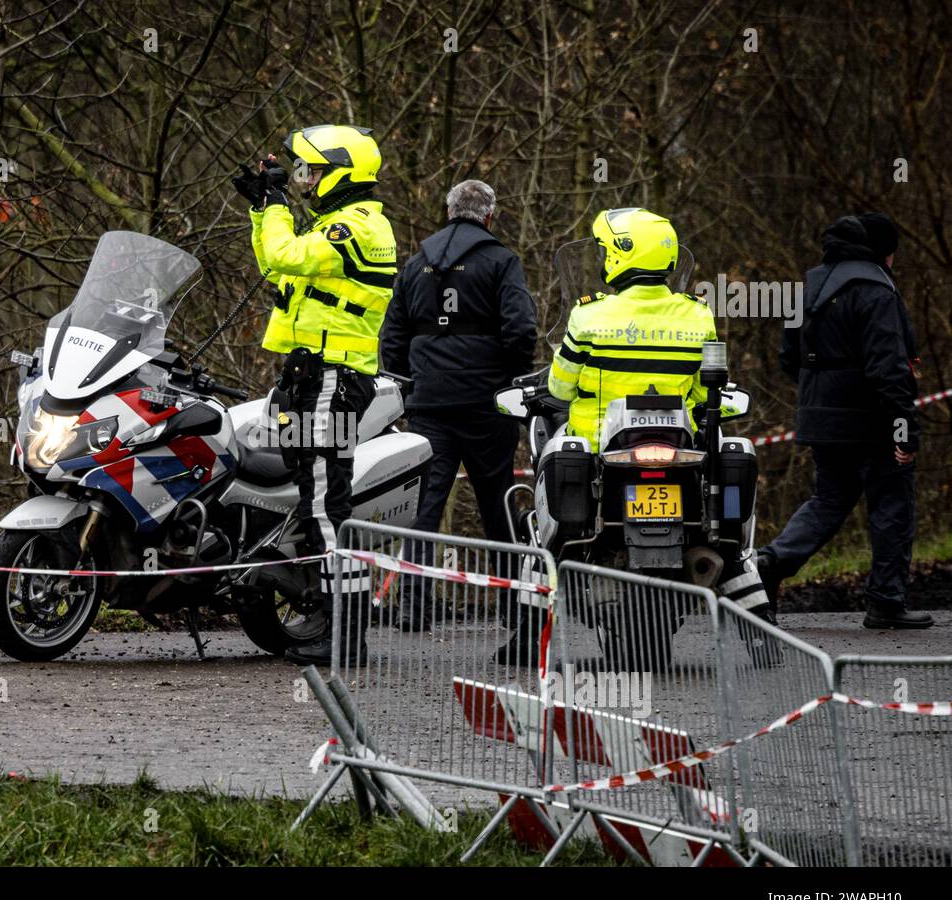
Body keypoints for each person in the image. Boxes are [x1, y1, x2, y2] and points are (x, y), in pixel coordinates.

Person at [546, 207, 776, 629]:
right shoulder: (697, 314)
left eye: (603, 250)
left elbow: (560, 389)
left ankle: (528, 633)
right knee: (726, 535)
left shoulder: (588, 316)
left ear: (619, 255)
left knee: (548, 524)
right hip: (681, 448)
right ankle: (761, 629)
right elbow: (709, 392)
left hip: (602, 449)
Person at [231, 124, 398, 665]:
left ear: (341, 174)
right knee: (313, 498)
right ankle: (325, 617)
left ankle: (348, 637)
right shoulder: (331, 228)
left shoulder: (357, 227)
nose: (305, 180)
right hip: (311, 379)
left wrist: (276, 206)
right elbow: (274, 263)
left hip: (335, 378)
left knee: (328, 505)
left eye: (313, 171)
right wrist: (263, 208)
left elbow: (285, 253)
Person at [758, 213, 932, 629]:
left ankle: (771, 562)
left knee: (829, 500)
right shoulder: (876, 291)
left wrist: (824, 394)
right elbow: (888, 367)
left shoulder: (809, 287)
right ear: (881, 253)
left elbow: (788, 357)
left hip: (821, 415)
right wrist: (904, 429)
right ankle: (886, 601)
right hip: (872, 418)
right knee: (892, 504)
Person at [379, 179, 537, 629]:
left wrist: (408, 391)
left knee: (424, 504)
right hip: (488, 403)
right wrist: (508, 378)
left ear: (448, 212)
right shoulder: (502, 261)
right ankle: (514, 607)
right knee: (498, 502)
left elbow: (392, 337)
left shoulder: (414, 263)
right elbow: (521, 330)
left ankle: (413, 607)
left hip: (429, 401)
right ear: (489, 216)